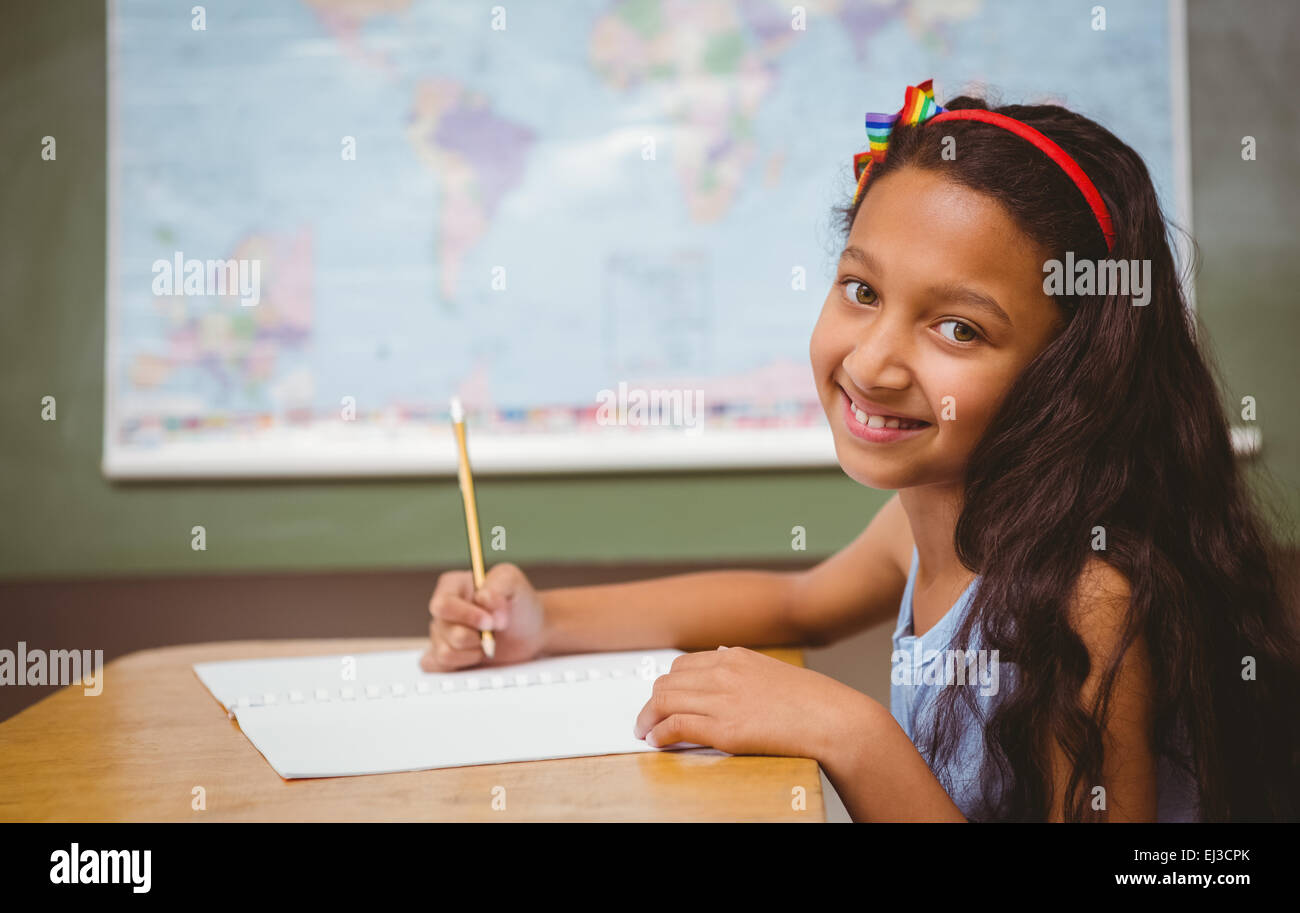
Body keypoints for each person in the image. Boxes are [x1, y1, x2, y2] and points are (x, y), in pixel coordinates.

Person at [421, 80, 1300, 822]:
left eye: (957, 327)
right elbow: (798, 601)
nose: (873, 361)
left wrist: (852, 734)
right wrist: (544, 624)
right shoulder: (943, 517)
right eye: (861, 288)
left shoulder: (1092, 596)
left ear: (1070, 370)